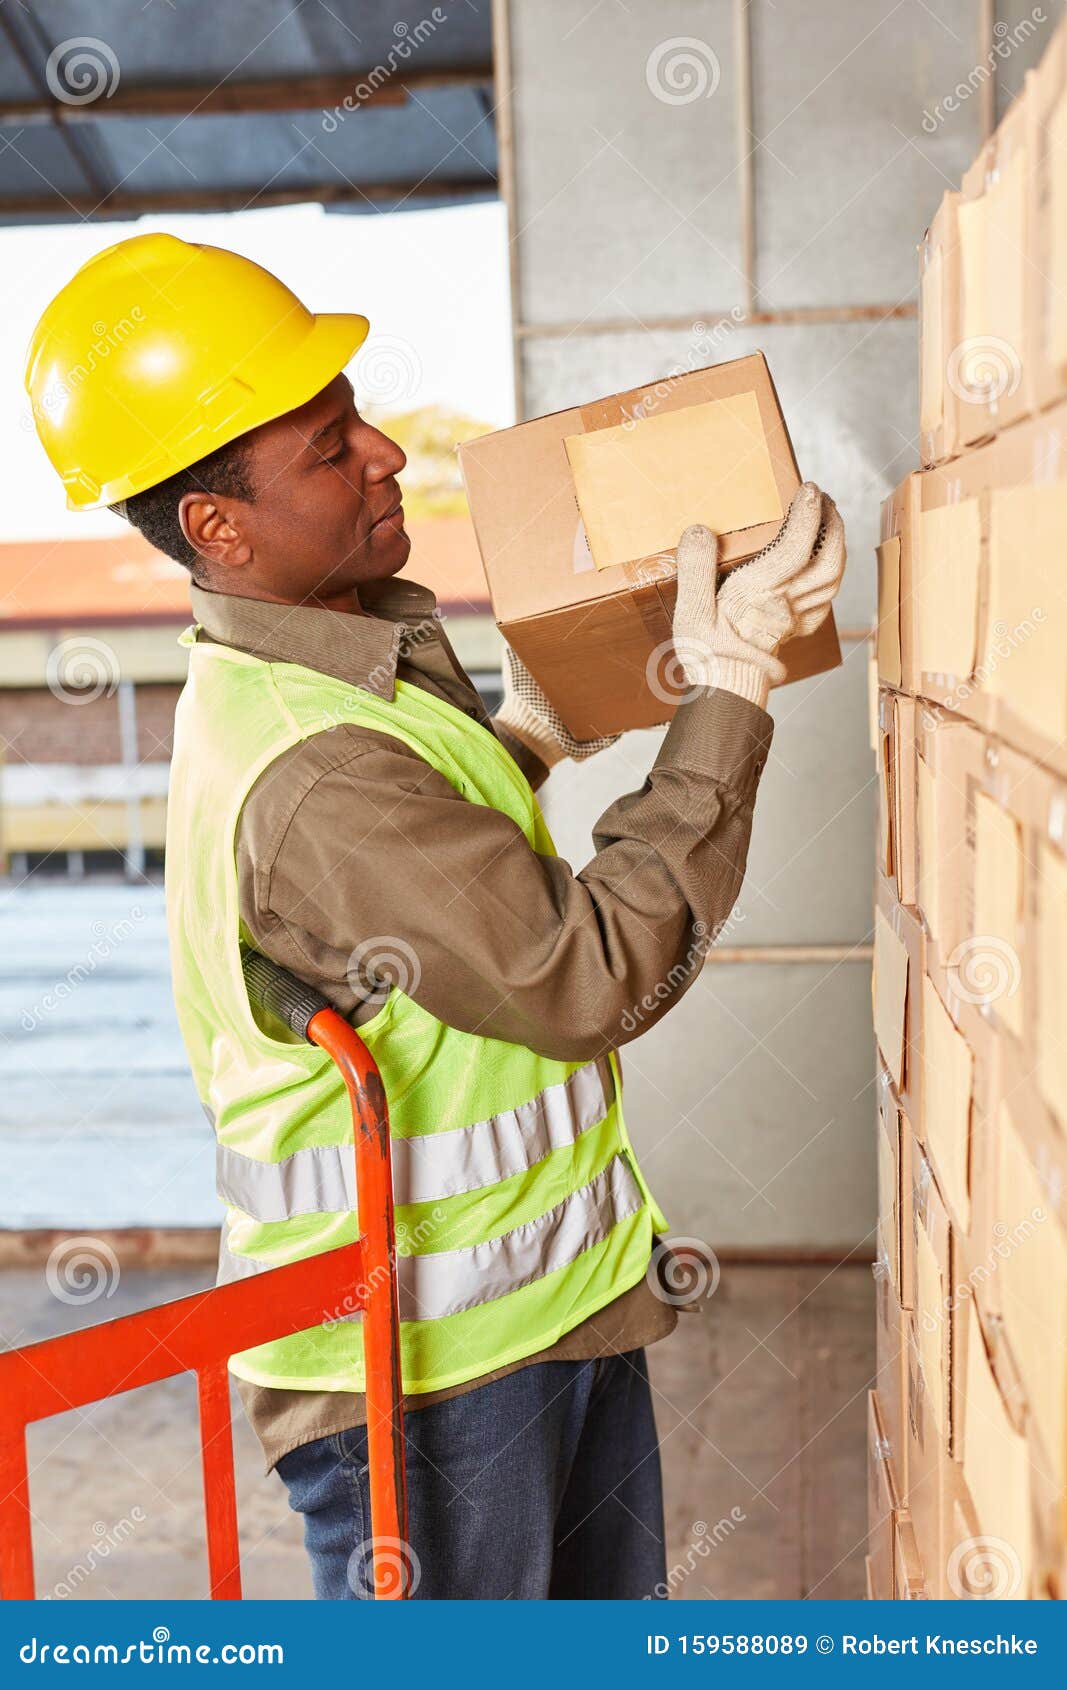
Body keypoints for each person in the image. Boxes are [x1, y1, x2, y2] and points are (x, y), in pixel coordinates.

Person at [26, 233, 845, 1601]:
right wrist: (729, 696)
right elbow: (585, 973)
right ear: (218, 527)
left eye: (360, 421)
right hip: (427, 1374)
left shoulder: (351, 675)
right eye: (330, 448)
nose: (388, 454)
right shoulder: (310, 760)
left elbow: (428, 891)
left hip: (533, 1319)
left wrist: (529, 727)